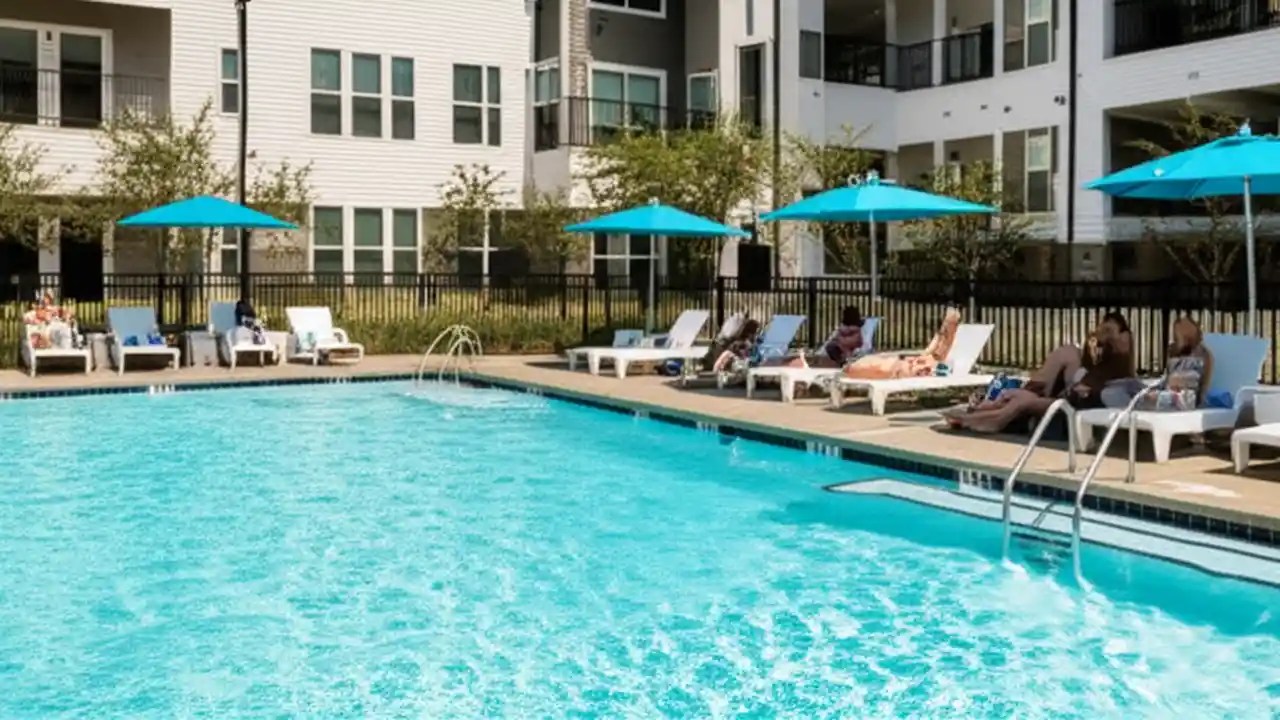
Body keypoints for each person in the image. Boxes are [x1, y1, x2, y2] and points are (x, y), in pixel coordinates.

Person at [944, 311, 1135, 433]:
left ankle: (980, 420)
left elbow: (1118, 360)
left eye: (1110, 330)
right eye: (1104, 329)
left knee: (1021, 403)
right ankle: (977, 414)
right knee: (1014, 395)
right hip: (1068, 398)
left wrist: (1111, 338)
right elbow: (1089, 365)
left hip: (1074, 403)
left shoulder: (1121, 358)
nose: (1105, 334)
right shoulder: (1095, 359)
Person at [1105, 316, 1212, 411]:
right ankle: (1137, 404)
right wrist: (1154, 387)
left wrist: (1162, 389)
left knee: (1116, 395)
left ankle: (1137, 405)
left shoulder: (1201, 353)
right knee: (1118, 388)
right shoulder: (1173, 350)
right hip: (1165, 392)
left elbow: (1191, 384)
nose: (1174, 334)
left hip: (1180, 399)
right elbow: (1166, 379)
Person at [841, 307, 960, 380]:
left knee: (932, 356)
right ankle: (949, 325)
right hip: (897, 369)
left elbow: (934, 352)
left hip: (896, 368)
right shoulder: (934, 363)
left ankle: (948, 326)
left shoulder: (934, 362)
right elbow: (934, 353)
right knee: (933, 356)